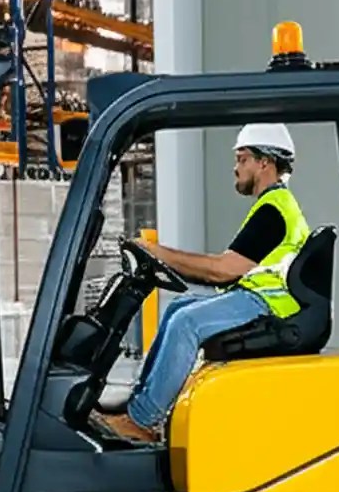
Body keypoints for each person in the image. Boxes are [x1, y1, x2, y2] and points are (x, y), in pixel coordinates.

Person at [99, 123, 312, 442]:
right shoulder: (273, 206)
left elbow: (222, 270)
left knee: (187, 322)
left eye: (242, 159)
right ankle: (138, 406)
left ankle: (144, 421)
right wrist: (162, 257)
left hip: (269, 305)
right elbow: (227, 266)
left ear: (264, 162)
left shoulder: (274, 210)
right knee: (178, 308)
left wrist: (159, 253)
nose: (235, 168)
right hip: (255, 298)